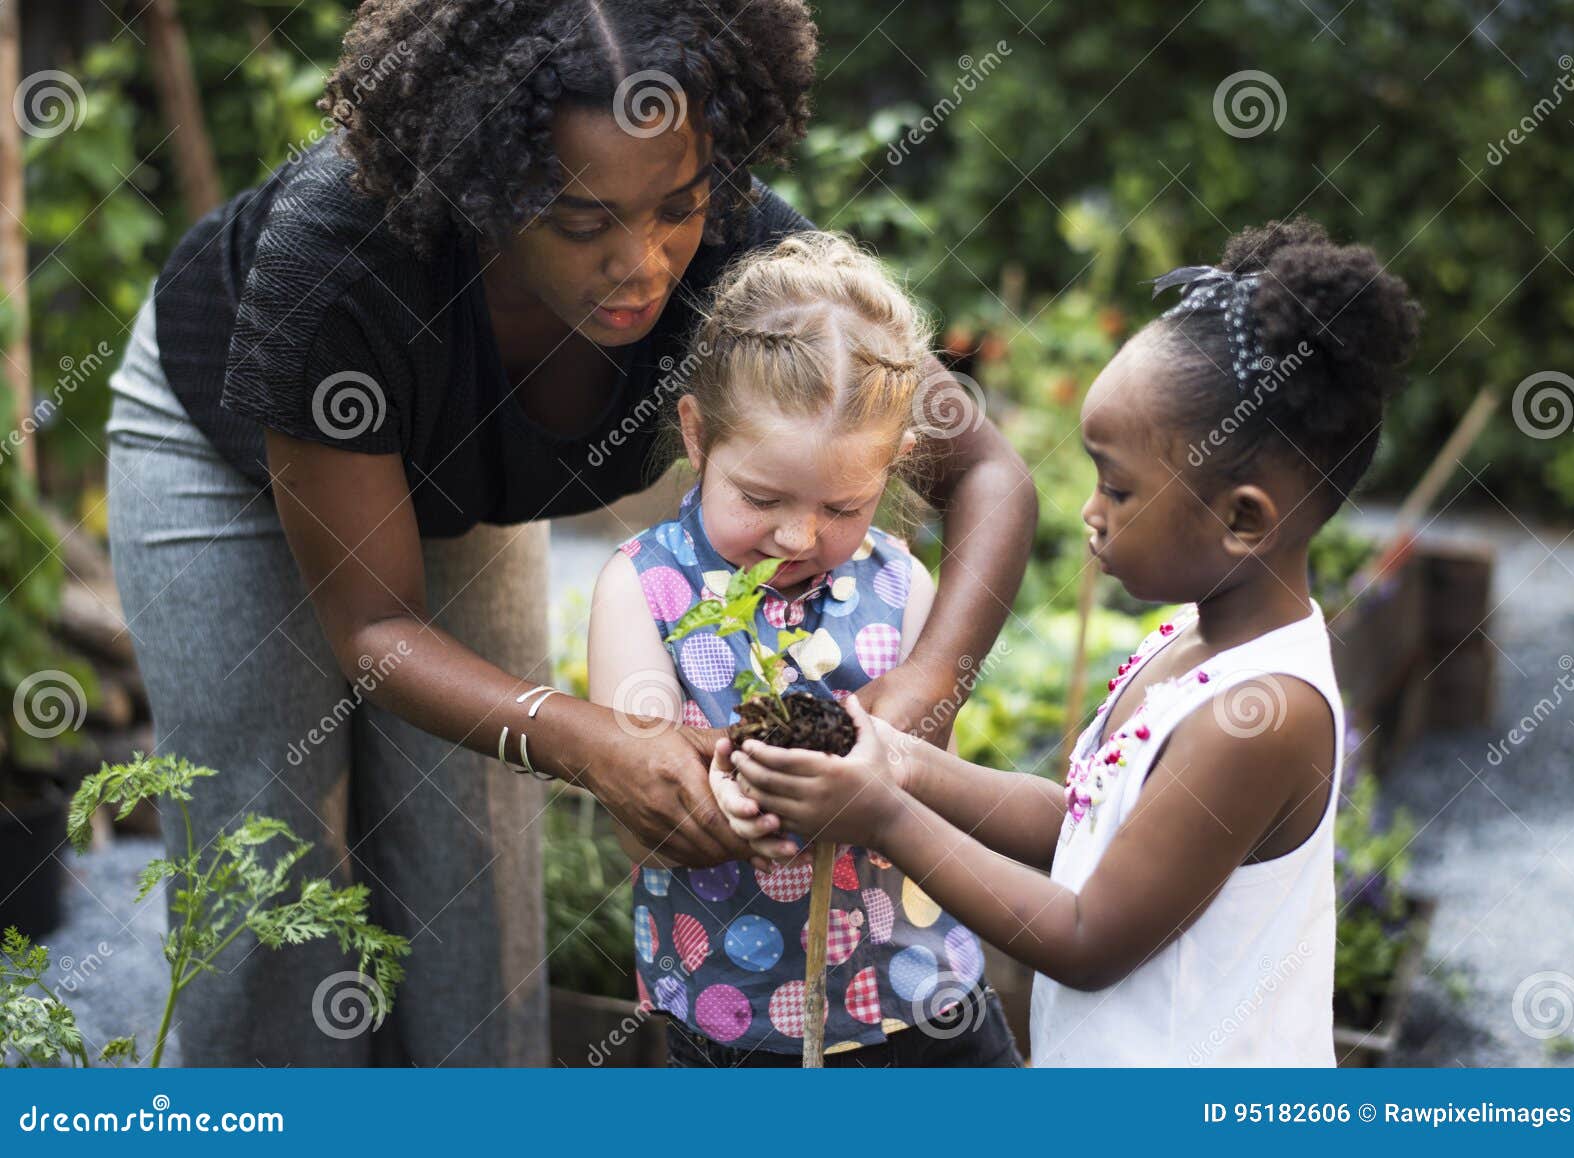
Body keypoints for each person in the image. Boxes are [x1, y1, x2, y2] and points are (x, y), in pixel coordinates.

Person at [104, 0, 1036, 1066]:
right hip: (222, 456)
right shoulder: (337, 258)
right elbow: (375, 631)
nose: (644, 265)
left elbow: (990, 475)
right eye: (583, 223)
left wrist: (916, 700)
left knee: (470, 876)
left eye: (675, 208)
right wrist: (592, 740)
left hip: (461, 483)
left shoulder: (741, 253)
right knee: (263, 853)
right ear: (484, 188)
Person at [722, 218, 1421, 1065]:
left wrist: (884, 817)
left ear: (1243, 520)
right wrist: (903, 765)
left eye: (1117, 489)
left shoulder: (1262, 714)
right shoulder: (1191, 642)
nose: (1089, 511)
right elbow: (1081, 828)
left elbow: (1088, 937)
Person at [588, 232, 1024, 1067]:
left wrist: (881, 775)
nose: (796, 537)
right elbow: (642, 822)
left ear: (893, 466)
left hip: (925, 1001)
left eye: (843, 507)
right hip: (740, 1023)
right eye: (761, 498)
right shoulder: (643, 589)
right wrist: (726, 803)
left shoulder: (901, 585)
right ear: (696, 436)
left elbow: (932, 785)